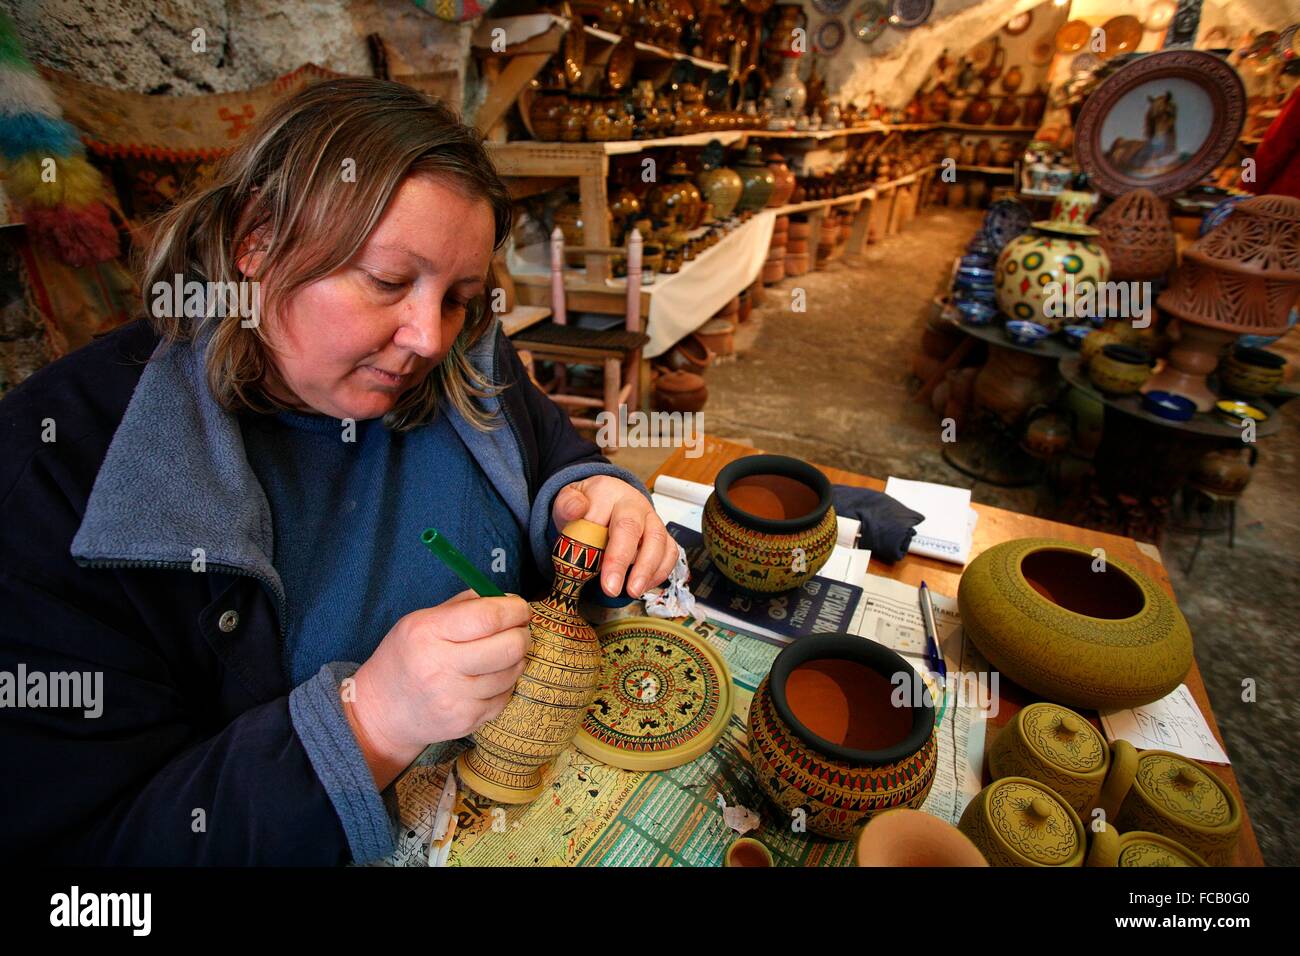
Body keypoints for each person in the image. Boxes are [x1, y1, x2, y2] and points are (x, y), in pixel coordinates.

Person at [0, 78, 677, 864]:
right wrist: (370, 724)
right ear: (257, 242)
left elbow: (553, 453)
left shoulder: (464, 352)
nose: (427, 336)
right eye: (388, 282)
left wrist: (592, 496)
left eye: (458, 295)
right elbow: (87, 874)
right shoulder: (59, 478)